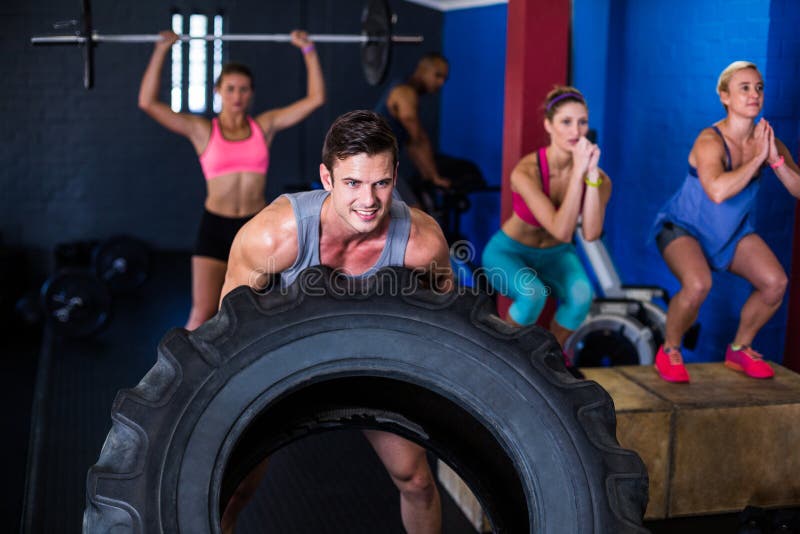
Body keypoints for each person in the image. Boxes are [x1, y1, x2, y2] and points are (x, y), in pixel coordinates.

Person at [219, 110, 453, 534]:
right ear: (326, 178)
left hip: (370, 361)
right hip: (282, 364)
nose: (368, 201)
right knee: (231, 486)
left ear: (396, 175)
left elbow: (451, 324)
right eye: (353, 183)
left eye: (381, 183)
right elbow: (226, 333)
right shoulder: (274, 236)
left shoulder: (420, 242)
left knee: (416, 481)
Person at [138, 29, 325, 330]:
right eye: (230, 89)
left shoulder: (264, 126)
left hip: (254, 226)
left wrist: (308, 50)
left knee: (249, 317)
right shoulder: (203, 131)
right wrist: (162, 50)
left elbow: (316, 99)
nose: (237, 96)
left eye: (243, 89)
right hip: (214, 227)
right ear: (218, 91)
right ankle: (177, 378)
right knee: (201, 315)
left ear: (251, 94)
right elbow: (147, 102)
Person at [650, 60, 800, 383]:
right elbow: (717, 191)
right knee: (698, 284)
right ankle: (670, 349)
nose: (754, 94)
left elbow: (797, 188)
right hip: (682, 228)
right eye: (744, 88)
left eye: (758, 88)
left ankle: (740, 348)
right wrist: (758, 160)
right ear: (724, 97)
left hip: (730, 235)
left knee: (775, 283)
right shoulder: (710, 140)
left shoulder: (767, 141)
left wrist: (775, 162)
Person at [481, 87, 611, 373]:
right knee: (532, 294)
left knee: (581, 295)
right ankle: (502, 356)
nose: (576, 130)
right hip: (509, 252)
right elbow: (562, 230)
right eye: (566, 122)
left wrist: (590, 178)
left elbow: (590, 233)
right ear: (549, 125)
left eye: (582, 122)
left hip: (556, 255)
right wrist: (579, 171)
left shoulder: (599, 178)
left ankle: (550, 357)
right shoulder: (527, 171)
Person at [374, 52, 453, 207]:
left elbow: (412, 143)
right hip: (376, 166)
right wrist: (434, 177)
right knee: (414, 216)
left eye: (444, 78)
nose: (441, 82)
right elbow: (417, 140)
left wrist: (430, 176)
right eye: (437, 75)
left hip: (380, 165)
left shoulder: (405, 90)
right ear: (422, 69)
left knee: (412, 215)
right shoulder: (405, 93)